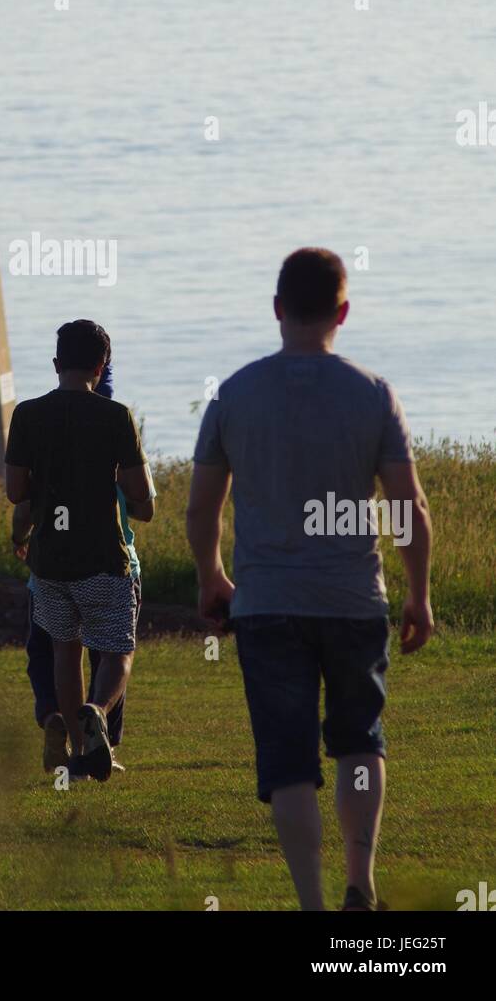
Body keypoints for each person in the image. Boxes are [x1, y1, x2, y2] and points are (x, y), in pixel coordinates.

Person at [186, 248, 434, 911]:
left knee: (288, 761)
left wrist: (211, 577)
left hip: (266, 604)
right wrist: (419, 594)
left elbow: (201, 506)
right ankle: (361, 882)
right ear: (343, 312)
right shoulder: (372, 393)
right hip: (354, 600)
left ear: (276, 310)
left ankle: (313, 906)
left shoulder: (233, 395)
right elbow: (409, 508)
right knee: (359, 739)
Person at [5, 320, 154, 782]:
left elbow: (16, 493)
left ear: (56, 363)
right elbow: (141, 498)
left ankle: (79, 755)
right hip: (103, 559)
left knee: (64, 656)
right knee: (117, 653)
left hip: (50, 562)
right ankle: (98, 710)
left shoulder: (26, 414)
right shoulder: (116, 417)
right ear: (101, 364)